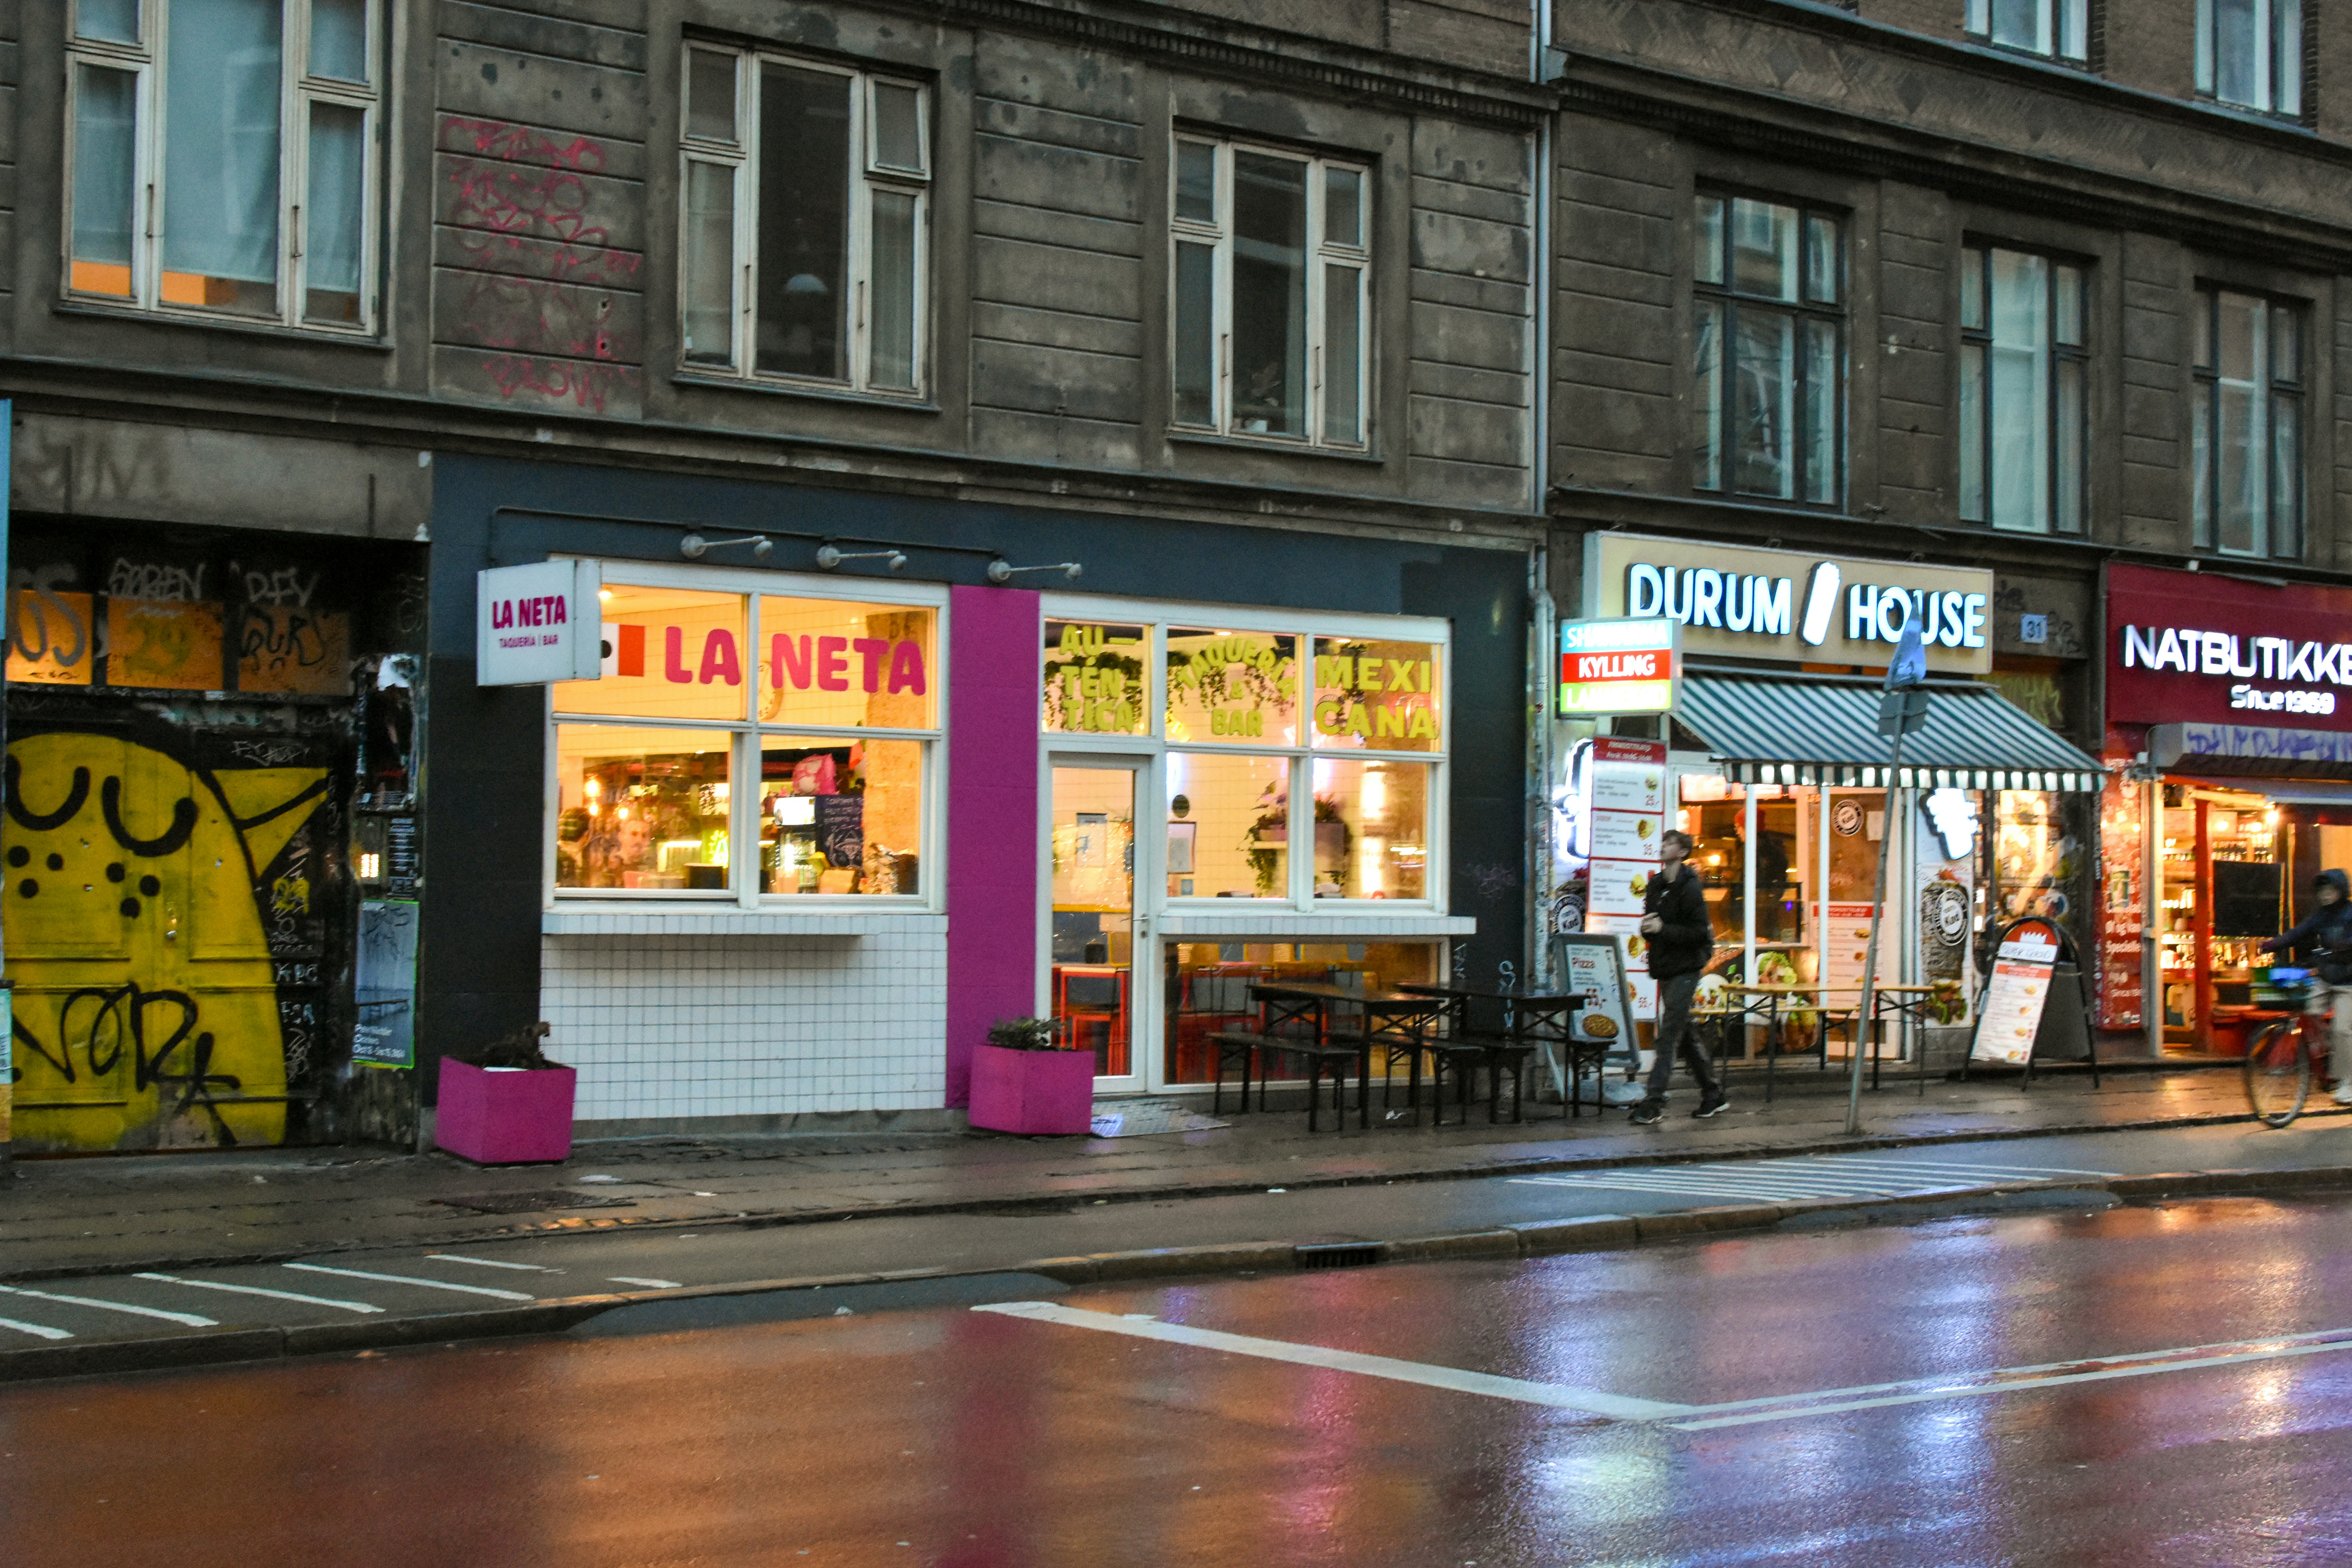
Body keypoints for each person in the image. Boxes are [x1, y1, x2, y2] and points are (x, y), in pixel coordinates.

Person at [1631, 827, 1728, 1125]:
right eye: (1662, 842)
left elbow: (1701, 932)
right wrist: (1646, 928)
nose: (1662, 847)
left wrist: (1663, 930)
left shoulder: (1690, 887)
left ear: (1682, 852)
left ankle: (1654, 1101)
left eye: (1669, 843)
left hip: (1687, 967)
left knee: (1669, 1034)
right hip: (1667, 966)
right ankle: (1713, 1093)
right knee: (1683, 1032)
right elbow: (1652, 923)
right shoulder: (1657, 884)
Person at [2262, 868, 2352, 1104]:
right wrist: (2272, 945)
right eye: (2322, 891)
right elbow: (2298, 933)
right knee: (2310, 1012)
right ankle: (2330, 1053)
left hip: (2348, 981)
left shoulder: (2351, 913)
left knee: (2343, 1030)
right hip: (2325, 977)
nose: (2325, 895)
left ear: (2341, 892)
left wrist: (2346, 946)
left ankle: (2348, 1082)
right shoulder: (2320, 916)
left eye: (2330, 890)